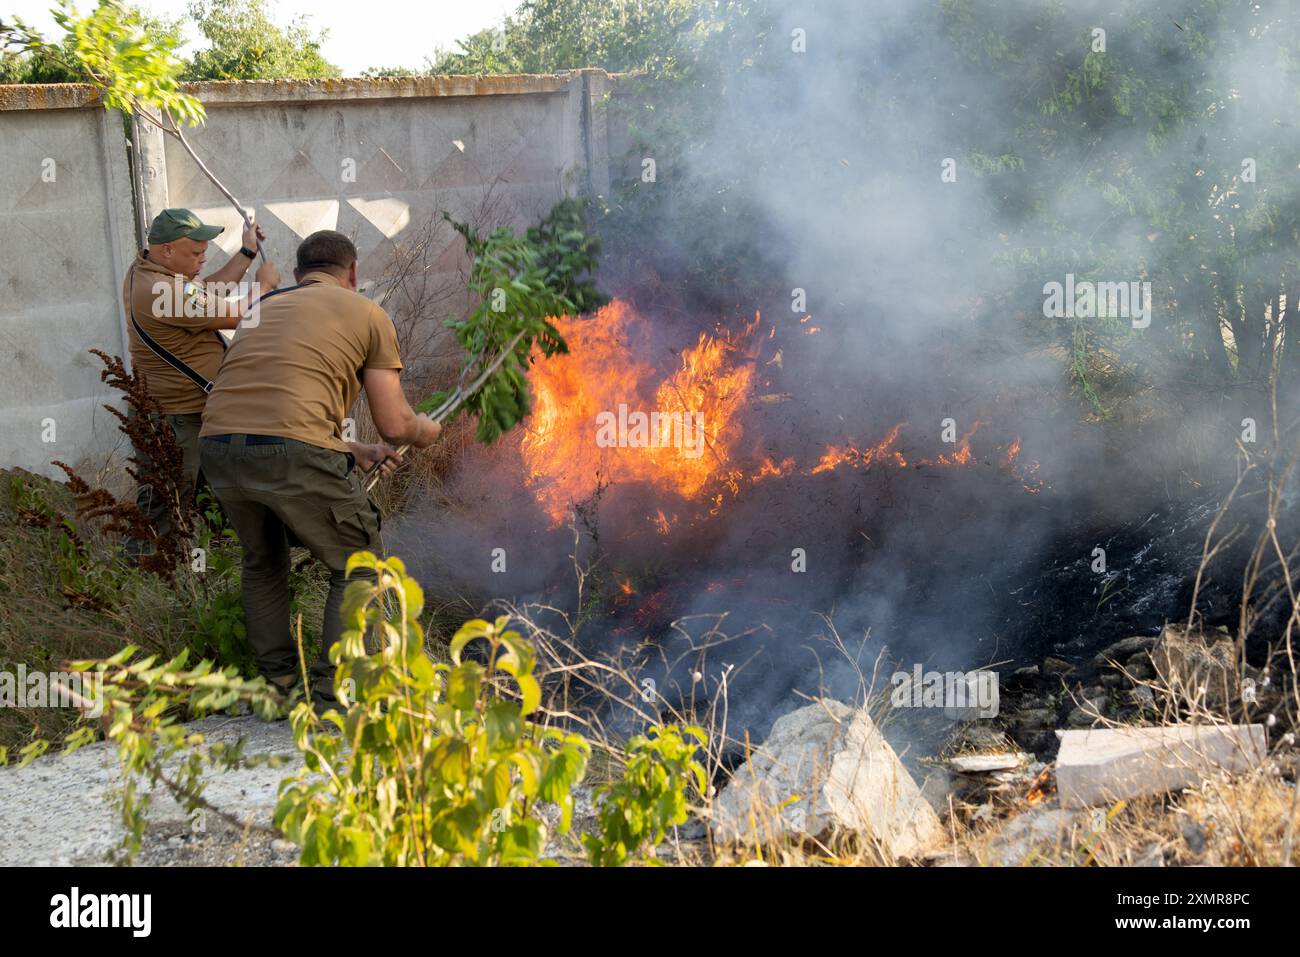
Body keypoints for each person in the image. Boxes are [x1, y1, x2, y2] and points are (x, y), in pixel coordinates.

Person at [198, 229, 441, 707]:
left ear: (297, 275)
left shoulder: (262, 309)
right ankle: (334, 697)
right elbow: (395, 425)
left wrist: (349, 449)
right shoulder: (368, 313)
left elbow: (271, 404)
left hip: (218, 447)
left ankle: (280, 689)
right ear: (353, 273)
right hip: (290, 450)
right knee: (357, 563)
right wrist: (426, 432)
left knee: (263, 563)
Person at [123, 207, 280, 551]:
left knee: (214, 499)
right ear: (167, 251)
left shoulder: (150, 273)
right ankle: (138, 574)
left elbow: (207, 293)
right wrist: (264, 286)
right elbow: (242, 316)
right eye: (195, 253)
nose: (203, 259)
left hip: (193, 416)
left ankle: (213, 568)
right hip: (175, 422)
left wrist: (247, 253)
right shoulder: (159, 292)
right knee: (164, 508)